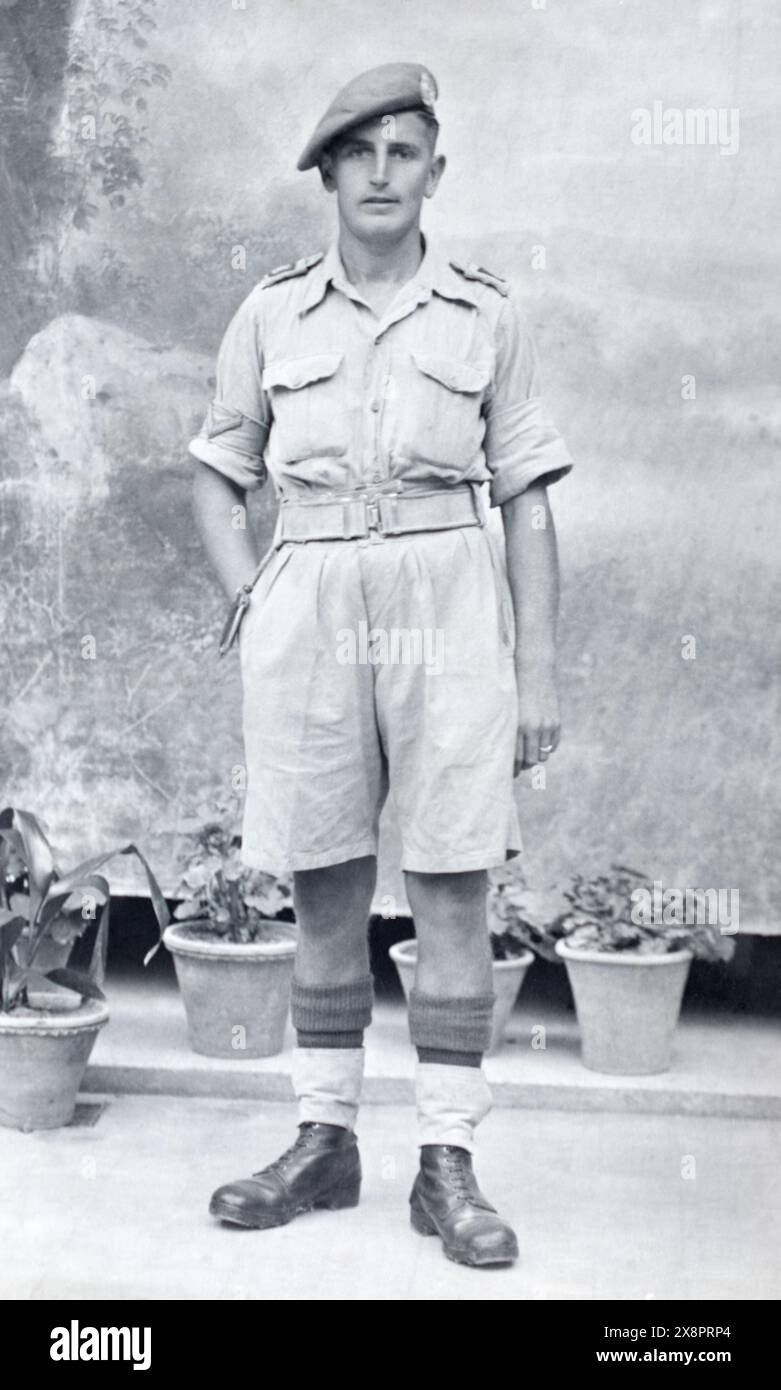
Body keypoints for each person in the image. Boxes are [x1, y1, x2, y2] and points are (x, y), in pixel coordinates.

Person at [188, 62, 573, 1268]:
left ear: (434, 174)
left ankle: (446, 1162)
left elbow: (526, 497)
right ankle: (323, 1138)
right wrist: (255, 596)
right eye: (358, 155)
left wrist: (541, 670)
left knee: (456, 878)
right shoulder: (269, 314)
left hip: (448, 598)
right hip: (310, 602)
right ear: (328, 176)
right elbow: (216, 469)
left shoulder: (485, 311)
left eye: (403, 153)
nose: (380, 174)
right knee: (323, 876)